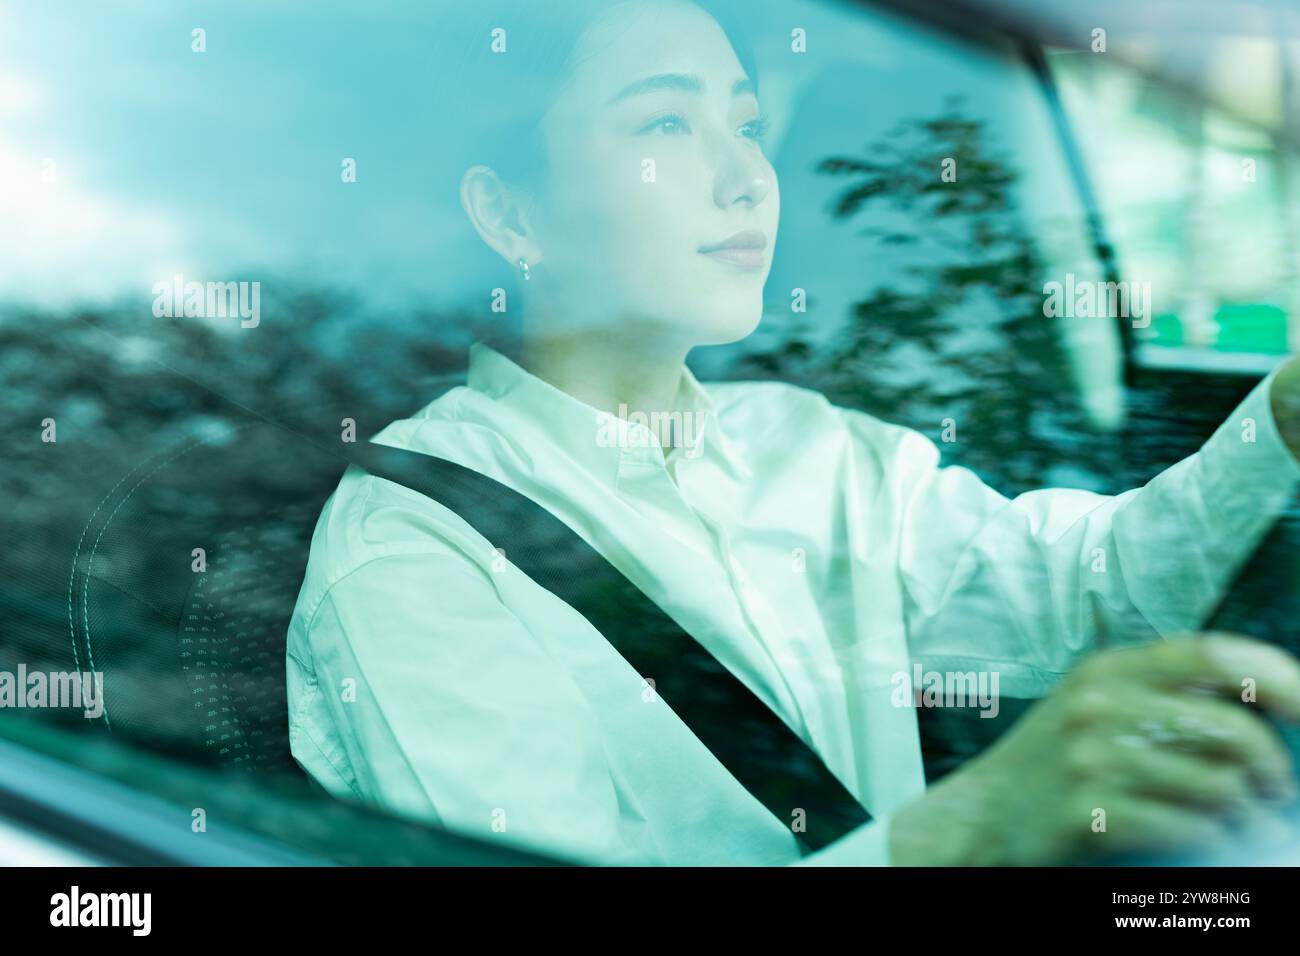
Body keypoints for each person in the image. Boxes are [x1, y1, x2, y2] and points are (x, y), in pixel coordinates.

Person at [285, 0, 1300, 865]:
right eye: (666, 127)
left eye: (748, 123)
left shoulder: (809, 446)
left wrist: (1280, 422)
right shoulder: (411, 554)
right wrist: (977, 821)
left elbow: (1097, 589)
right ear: (511, 218)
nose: (746, 177)